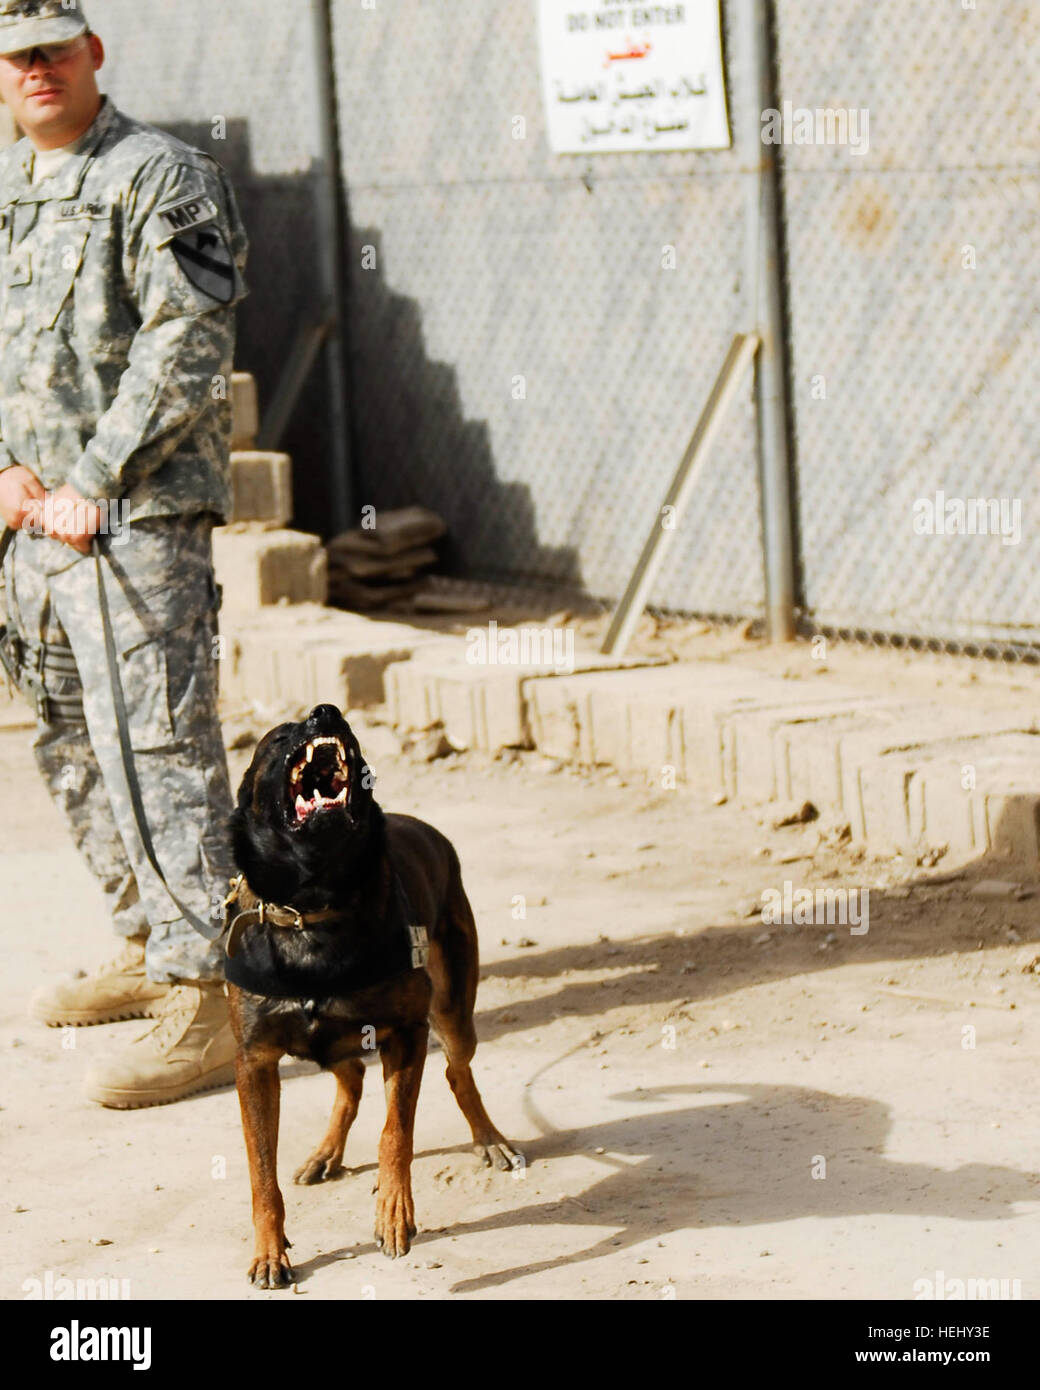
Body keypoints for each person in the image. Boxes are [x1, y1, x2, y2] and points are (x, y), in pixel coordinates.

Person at [0, 0, 248, 1106]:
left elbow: (186, 338)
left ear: (93, 52)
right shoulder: (8, 186)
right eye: (15, 58)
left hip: (133, 520)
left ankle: (214, 995)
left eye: (53, 49)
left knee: (159, 747)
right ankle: (151, 943)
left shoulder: (162, 174)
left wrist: (88, 482)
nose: (36, 70)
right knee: (67, 741)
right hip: (26, 528)